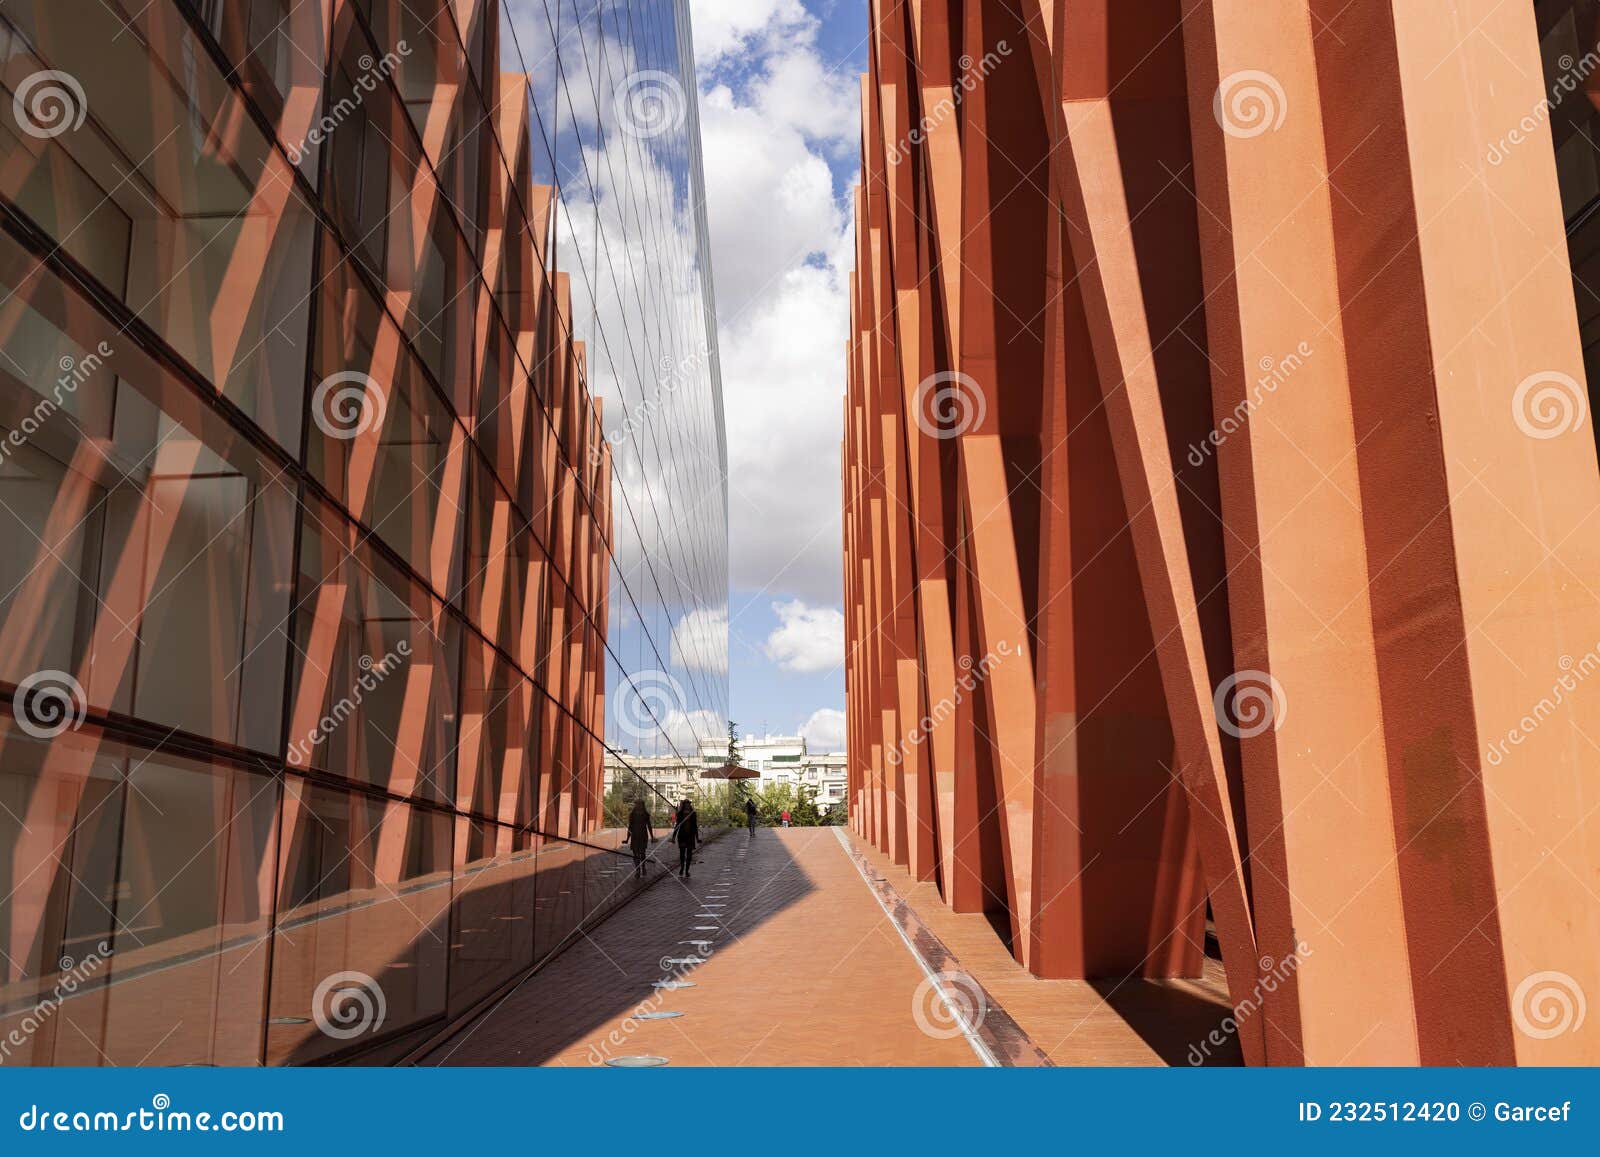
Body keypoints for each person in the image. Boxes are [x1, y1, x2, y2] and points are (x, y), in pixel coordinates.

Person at [625, 798, 653, 878]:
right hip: (635, 836)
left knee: (642, 853)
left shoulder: (645, 814)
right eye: (637, 804)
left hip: (643, 835)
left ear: (642, 805)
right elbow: (630, 827)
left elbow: (649, 826)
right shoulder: (632, 815)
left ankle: (643, 867)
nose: (638, 805)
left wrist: (652, 836)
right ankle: (638, 870)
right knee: (635, 854)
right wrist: (627, 839)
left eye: (640, 804)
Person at [673, 798, 699, 878]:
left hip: (690, 836)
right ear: (684, 805)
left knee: (689, 855)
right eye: (686, 804)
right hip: (682, 836)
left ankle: (687, 870)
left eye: (688, 803)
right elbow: (677, 825)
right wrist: (673, 837)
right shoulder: (680, 814)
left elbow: (695, 826)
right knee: (682, 854)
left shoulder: (693, 814)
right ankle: (682, 868)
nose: (687, 805)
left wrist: (697, 838)